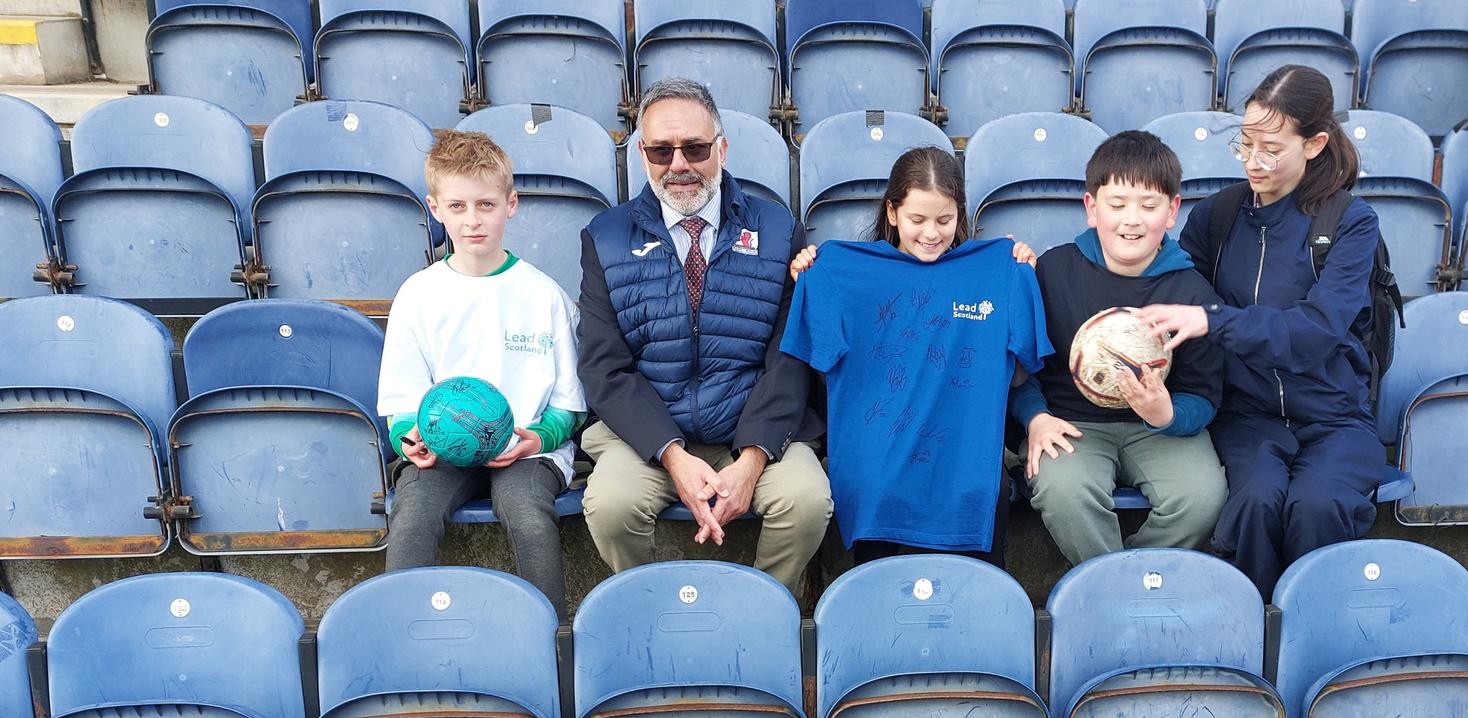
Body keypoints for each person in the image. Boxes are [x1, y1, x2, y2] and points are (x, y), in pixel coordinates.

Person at [1140, 64, 1388, 596]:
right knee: (1254, 502)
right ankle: (1249, 635)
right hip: (1246, 414)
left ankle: (1312, 632)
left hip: (1334, 416)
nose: (1254, 161)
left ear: (1315, 143)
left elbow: (1319, 330)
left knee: (1319, 505)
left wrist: (1213, 319)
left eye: (1271, 148)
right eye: (1244, 143)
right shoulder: (1218, 215)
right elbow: (1166, 282)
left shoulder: (1350, 222)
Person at [575, 78, 831, 593]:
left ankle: (762, 609)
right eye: (660, 150)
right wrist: (671, 453)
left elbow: (790, 357)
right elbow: (605, 367)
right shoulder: (604, 237)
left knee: (805, 501)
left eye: (694, 147)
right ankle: (648, 609)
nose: (679, 165)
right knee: (611, 505)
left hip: (752, 430)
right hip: (649, 435)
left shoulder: (780, 231)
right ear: (641, 154)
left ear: (722, 148)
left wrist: (754, 457)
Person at [780, 147, 1048, 565]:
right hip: (876, 461)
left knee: (975, 561)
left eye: (944, 220)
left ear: (960, 213)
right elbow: (820, 365)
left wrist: (1015, 275)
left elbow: (1017, 375)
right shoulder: (836, 271)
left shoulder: (1002, 269)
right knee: (878, 585)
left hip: (965, 460)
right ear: (892, 212)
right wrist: (813, 280)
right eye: (917, 219)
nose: (931, 233)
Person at [377, 129, 585, 617]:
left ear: (511, 204)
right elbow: (402, 400)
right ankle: (395, 631)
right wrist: (411, 436)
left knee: (528, 517)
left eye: (486, 205)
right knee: (412, 518)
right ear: (436, 208)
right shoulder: (418, 295)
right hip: (443, 449)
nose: (472, 220)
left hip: (526, 448)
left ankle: (551, 636)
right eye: (458, 207)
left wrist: (539, 436)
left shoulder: (543, 295)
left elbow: (569, 402)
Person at [1019, 130, 1228, 567]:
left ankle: (1136, 578)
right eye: (1117, 205)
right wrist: (1035, 418)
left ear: (1172, 212)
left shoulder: (1191, 292)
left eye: (1149, 206)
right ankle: (1110, 587)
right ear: (1092, 208)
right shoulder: (1053, 271)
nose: (1132, 219)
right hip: (1070, 424)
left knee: (1202, 496)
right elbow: (1022, 369)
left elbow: (1205, 394)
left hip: (1158, 430)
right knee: (1064, 490)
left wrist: (1167, 414)